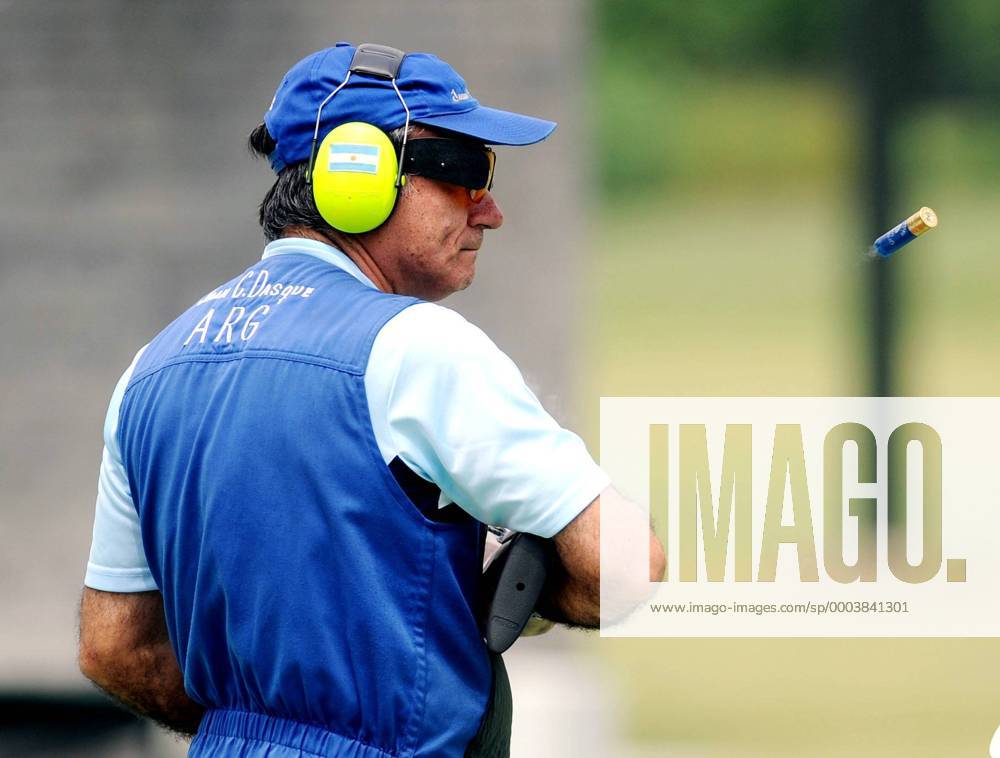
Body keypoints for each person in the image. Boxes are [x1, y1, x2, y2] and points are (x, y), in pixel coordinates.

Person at [78, 42, 664, 757]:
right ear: (357, 174)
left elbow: (112, 647)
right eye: (465, 172)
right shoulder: (421, 349)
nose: (491, 211)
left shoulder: (151, 367)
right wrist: (522, 594)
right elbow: (627, 565)